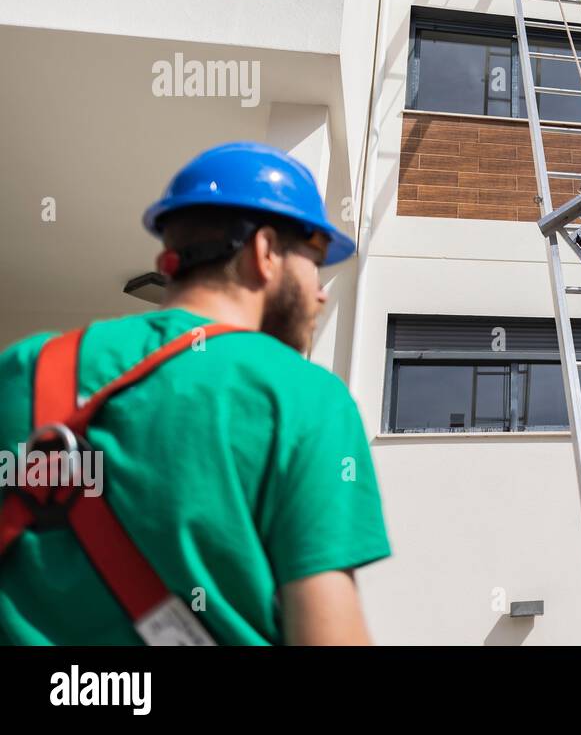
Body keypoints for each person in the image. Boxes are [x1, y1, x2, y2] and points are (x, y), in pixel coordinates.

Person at [0, 142, 390, 645]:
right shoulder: (304, 398)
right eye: (316, 258)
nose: (320, 292)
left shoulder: (23, 368)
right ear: (265, 251)